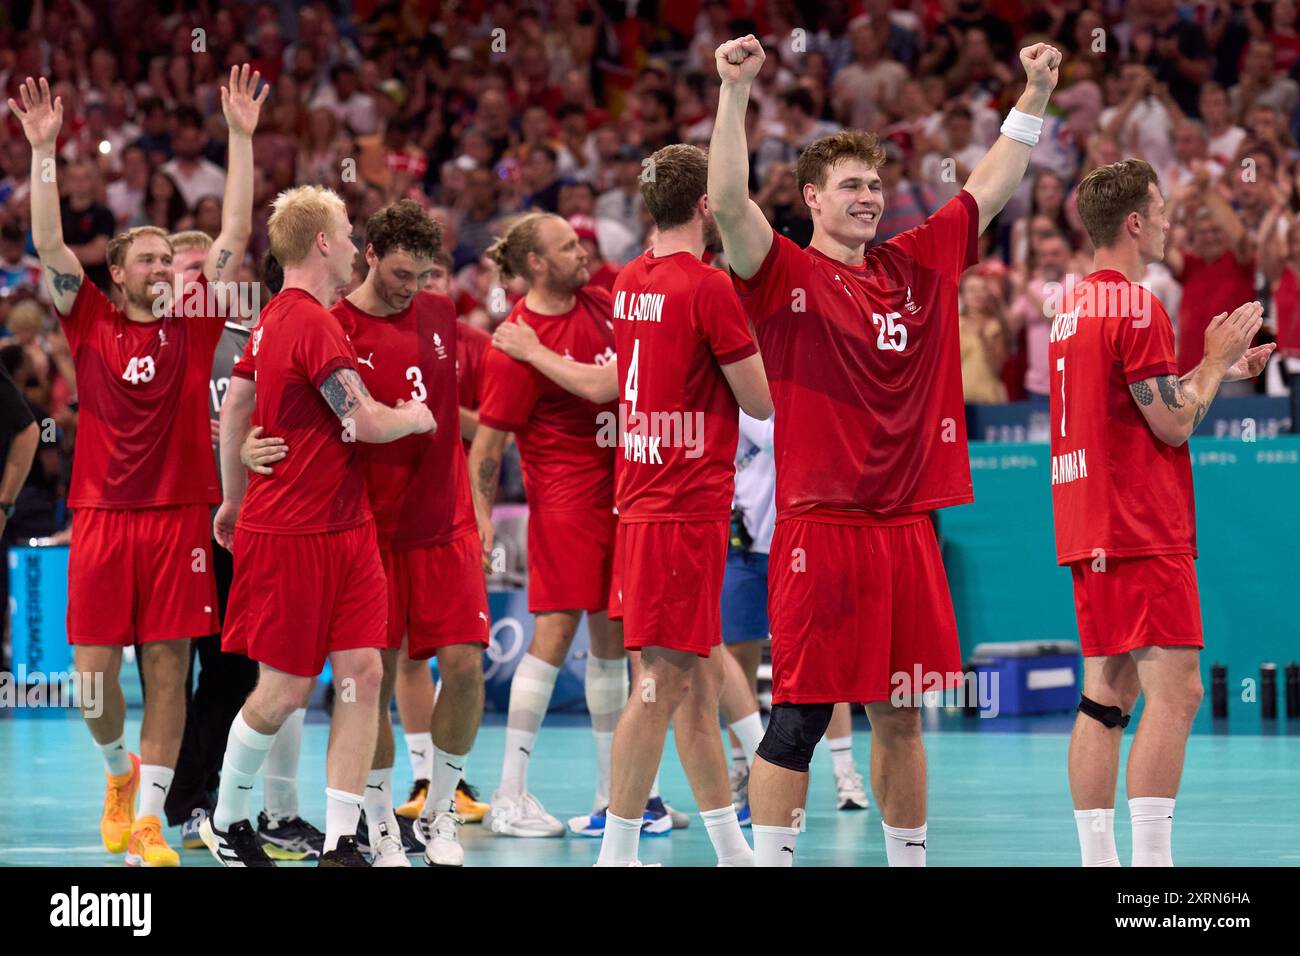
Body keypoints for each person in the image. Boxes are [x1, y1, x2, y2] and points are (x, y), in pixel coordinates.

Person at [707, 34, 1061, 866]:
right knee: (799, 714)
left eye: (876, 185)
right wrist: (735, 92)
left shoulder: (916, 264)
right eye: (851, 187)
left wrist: (1036, 92)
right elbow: (727, 203)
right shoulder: (783, 274)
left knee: (902, 712)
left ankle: (909, 860)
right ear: (813, 199)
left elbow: (992, 183)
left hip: (908, 531)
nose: (869, 198)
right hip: (822, 529)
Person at [7, 67, 264, 868]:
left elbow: (233, 236)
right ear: (115, 272)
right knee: (91, 683)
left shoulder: (193, 324)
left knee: (167, 670)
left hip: (181, 517)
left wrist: (241, 138)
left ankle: (151, 818)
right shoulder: (85, 319)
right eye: (146, 257)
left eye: (166, 257)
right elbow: (49, 245)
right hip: (104, 520)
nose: (162, 266)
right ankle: (119, 776)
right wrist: (44, 152)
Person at [494, 144, 772, 867]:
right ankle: (617, 849)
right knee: (660, 685)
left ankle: (732, 848)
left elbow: (616, 381)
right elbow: (761, 399)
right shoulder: (708, 287)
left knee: (693, 683)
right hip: (683, 506)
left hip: (645, 501)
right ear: (707, 206)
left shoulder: (632, 283)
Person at [241, 200, 489, 867]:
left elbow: (493, 403)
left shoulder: (442, 316)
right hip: (366, 530)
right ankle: (377, 825)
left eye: (425, 274)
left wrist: (481, 489)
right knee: (365, 682)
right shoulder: (329, 321)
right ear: (369, 253)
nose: (413, 286)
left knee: (466, 665)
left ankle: (440, 811)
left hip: (445, 525)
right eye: (402, 272)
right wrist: (244, 450)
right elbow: (250, 392)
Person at [200, 183, 434, 867]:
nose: (355, 233)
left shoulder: (279, 316)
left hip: (345, 527)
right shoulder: (306, 321)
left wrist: (232, 496)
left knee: (362, 671)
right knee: (283, 690)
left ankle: (338, 842)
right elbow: (362, 421)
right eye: (346, 225)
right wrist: (416, 416)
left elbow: (239, 401)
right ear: (325, 243)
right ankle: (229, 818)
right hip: (295, 533)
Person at [1053, 159, 1273, 866]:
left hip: (1089, 522)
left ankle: (1100, 863)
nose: (1173, 221)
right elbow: (1172, 425)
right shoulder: (1138, 305)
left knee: (1106, 695)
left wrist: (1211, 374)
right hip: (1140, 523)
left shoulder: (1075, 305)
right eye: (1164, 208)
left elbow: (1135, 402)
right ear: (1137, 222)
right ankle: (1152, 872)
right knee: (1175, 693)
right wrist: (1211, 364)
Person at [467, 212, 629, 838]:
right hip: (565, 506)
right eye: (567, 246)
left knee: (612, 642)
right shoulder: (515, 341)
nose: (581, 250)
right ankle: (510, 796)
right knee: (555, 637)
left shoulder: (603, 300)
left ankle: (616, 796)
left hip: (624, 496)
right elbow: (487, 449)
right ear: (536, 263)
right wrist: (482, 521)